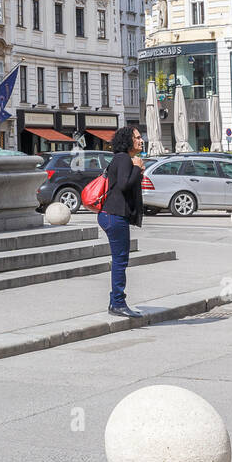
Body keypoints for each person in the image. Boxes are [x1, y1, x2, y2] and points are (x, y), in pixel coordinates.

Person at [97, 125, 145, 319]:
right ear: (128, 140)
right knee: (120, 260)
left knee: (120, 259)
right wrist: (137, 167)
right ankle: (118, 302)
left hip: (112, 214)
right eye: (137, 137)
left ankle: (114, 301)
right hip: (114, 215)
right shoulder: (124, 158)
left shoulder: (119, 159)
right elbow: (125, 185)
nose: (141, 140)